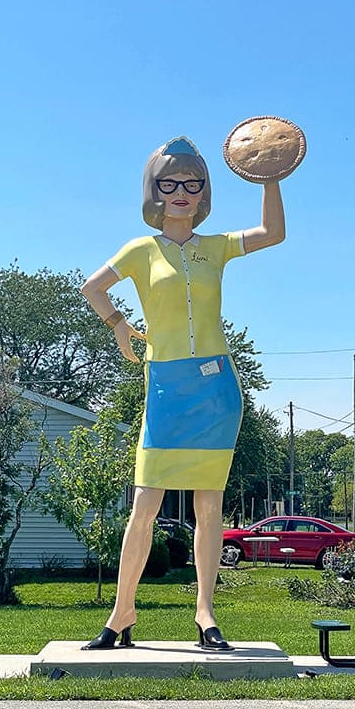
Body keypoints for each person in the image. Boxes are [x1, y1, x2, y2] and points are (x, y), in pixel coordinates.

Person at [80, 135, 285, 650]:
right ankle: (121, 611)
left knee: (209, 506)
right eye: (169, 183)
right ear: (154, 189)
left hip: (217, 388)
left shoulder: (215, 247)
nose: (180, 193)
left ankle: (205, 614)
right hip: (166, 386)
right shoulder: (140, 250)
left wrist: (269, 179)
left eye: (191, 184)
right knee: (145, 502)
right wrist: (119, 324)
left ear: (203, 191)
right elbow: (92, 287)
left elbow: (272, 232)